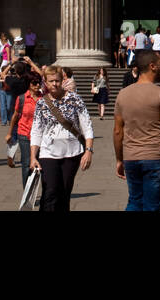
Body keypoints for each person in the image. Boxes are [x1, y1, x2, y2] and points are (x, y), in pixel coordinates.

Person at [114, 50, 160, 211]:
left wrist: (119, 159)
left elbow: (118, 131)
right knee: (151, 206)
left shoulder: (122, 95)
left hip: (131, 159)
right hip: (156, 158)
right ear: (152, 66)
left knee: (134, 201)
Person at [30, 64, 95, 211]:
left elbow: (87, 126)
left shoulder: (75, 99)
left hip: (72, 153)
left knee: (64, 193)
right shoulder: (41, 103)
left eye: (57, 80)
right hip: (48, 153)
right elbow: (36, 131)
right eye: (51, 81)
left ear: (62, 80)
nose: (54, 84)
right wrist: (33, 157)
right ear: (45, 82)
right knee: (50, 191)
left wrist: (89, 151)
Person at [9, 75, 41, 191]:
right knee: (27, 164)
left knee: (41, 165)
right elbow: (15, 116)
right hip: (25, 134)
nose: (37, 85)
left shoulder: (44, 99)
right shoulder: (22, 98)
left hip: (40, 136)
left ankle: (38, 189)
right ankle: (27, 192)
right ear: (29, 84)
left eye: (39, 82)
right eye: (34, 83)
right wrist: (10, 133)